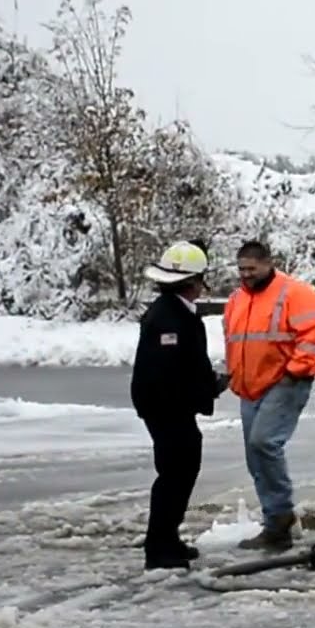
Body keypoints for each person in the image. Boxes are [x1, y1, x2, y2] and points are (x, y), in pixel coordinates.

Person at [223, 240, 315, 552]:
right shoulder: (236, 300)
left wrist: (296, 371)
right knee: (254, 455)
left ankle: (280, 515)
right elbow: (235, 340)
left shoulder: (295, 293)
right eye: (241, 269)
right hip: (249, 386)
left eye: (252, 269)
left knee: (264, 443)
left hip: (285, 382)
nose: (246, 275)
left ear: (269, 264)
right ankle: (275, 521)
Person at [130, 240, 229, 570]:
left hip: (169, 406)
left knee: (180, 470)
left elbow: (185, 366)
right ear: (192, 281)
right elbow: (169, 371)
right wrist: (207, 389)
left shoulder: (173, 312)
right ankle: (159, 548)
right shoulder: (170, 318)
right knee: (175, 474)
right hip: (167, 408)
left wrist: (208, 385)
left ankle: (167, 538)